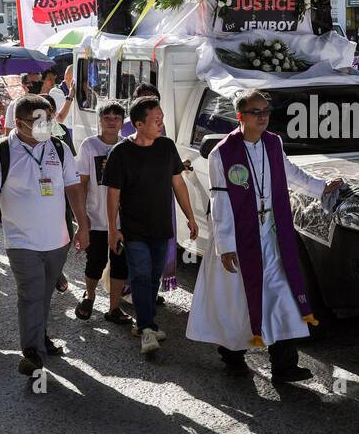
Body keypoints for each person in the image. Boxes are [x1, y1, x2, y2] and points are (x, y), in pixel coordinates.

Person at [188, 90, 342, 380]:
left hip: (271, 235)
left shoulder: (274, 143)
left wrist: (322, 187)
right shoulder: (223, 152)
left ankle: (284, 365)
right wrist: (226, 245)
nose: (262, 117)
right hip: (237, 238)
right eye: (256, 112)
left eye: (266, 112)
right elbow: (219, 201)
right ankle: (232, 351)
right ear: (240, 116)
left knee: (282, 293)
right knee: (239, 300)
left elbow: (291, 174)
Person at [0, 94, 90, 377]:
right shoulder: (0, 153)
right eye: (37, 121)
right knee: (31, 294)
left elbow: (74, 189)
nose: (45, 125)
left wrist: (83, 225)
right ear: (19, 123)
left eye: (48, 120)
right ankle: (33, 353)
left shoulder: (60, 149)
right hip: (21, 241)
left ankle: (39, 337)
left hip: (57, 240)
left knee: (44, 294)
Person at [104, 96, 199, 356]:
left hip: (162, 228)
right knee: (141, 275)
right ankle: (146, 328)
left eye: (162, 119)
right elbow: (113, 194)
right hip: (134, 230)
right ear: (138, 123)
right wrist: (113, 229)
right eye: (156, 120)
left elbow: (178, 184)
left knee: (153, 277)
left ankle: (147, 322)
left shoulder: (167, 147)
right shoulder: (121, 153)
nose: (161, 124)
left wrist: (190, 216)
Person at [74, 100, 130, 325]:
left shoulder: (128, 146)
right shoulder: (89, 146)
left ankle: (114, 308)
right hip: (96, 217)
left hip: (121, 220)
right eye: (107, 117)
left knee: (120, 263)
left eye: (116, 118)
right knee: (95, 262)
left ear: (122, 122)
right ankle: (90, 295)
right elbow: (82, 184)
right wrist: (82, 218)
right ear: (99, 120)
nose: (111, 122)